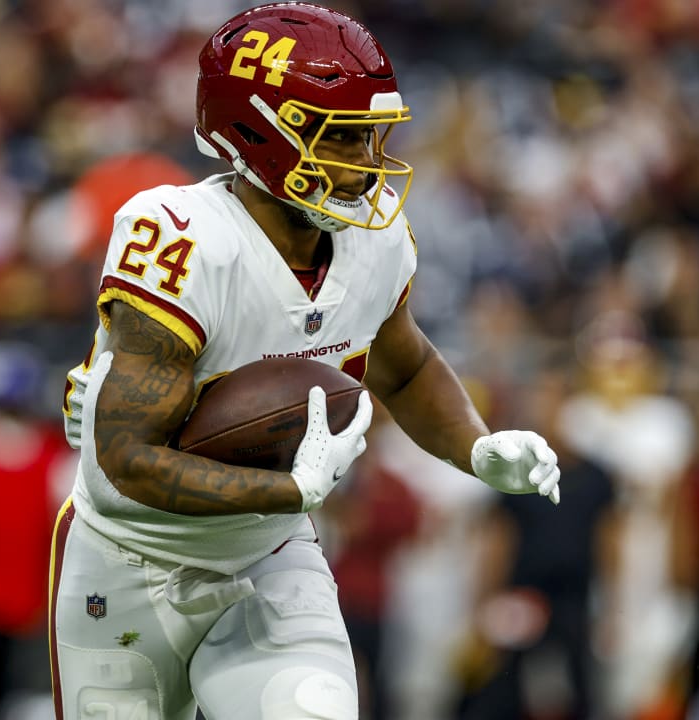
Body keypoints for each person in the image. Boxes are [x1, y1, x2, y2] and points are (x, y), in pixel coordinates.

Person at [50, 4, 562, 719]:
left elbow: (403, 365)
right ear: (258, 131)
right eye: (343, 139)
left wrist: (477, 448)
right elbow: (128, 457)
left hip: (268, 555)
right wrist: (288, 492)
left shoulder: (373, 240)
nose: (367, 164)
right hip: (130, 558)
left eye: (372, 137)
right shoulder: (185, 242)